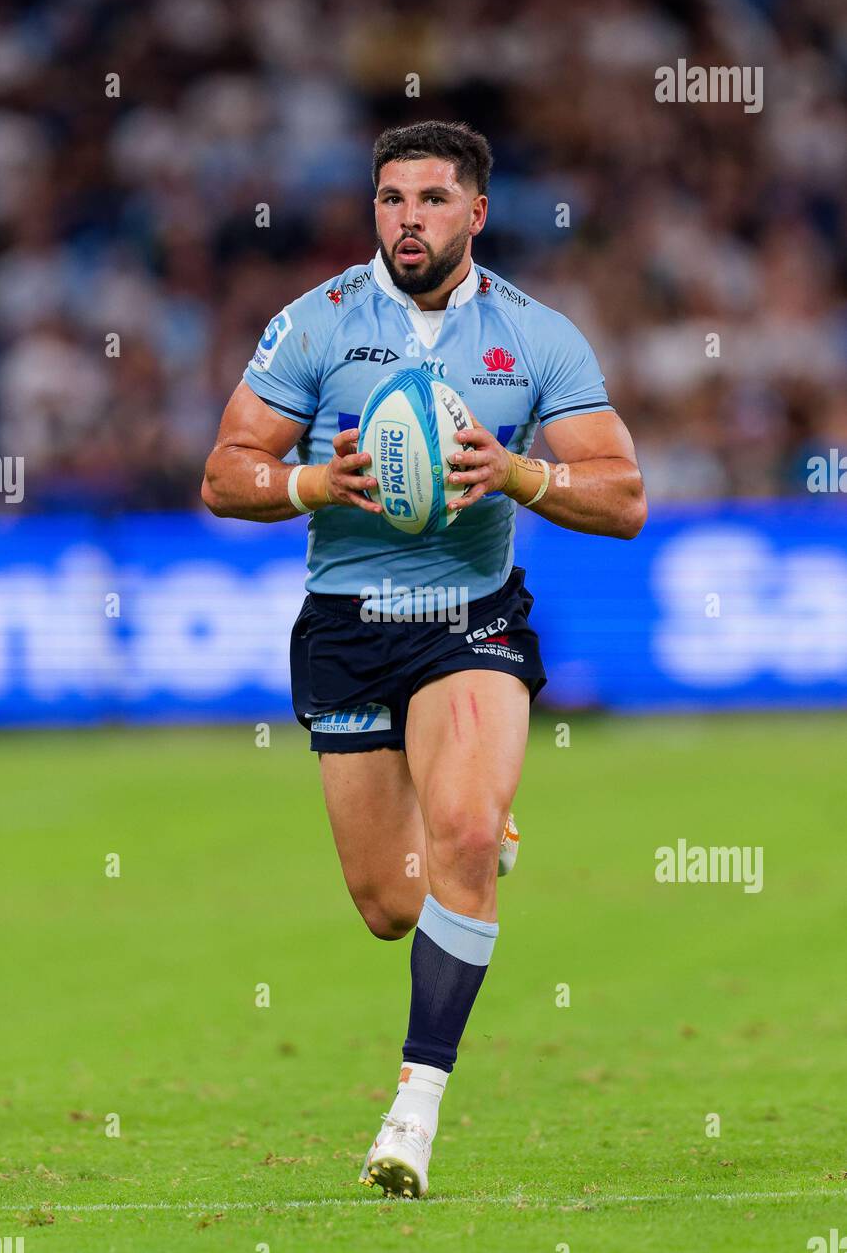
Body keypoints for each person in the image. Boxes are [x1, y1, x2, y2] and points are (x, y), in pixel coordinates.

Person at [201, 120, 646, 1198]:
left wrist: (519, 474)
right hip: (349, 628)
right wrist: (314, 482)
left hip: (471, 620)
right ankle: (471, 825)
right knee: (388, 904)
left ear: (475, 213)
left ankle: (413, 1109)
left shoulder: (535, 338)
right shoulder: (315, 325)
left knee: (456, 833)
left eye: (432, 199)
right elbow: (224, 472)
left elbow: (622, 495)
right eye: (390, 199)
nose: (408, 218)